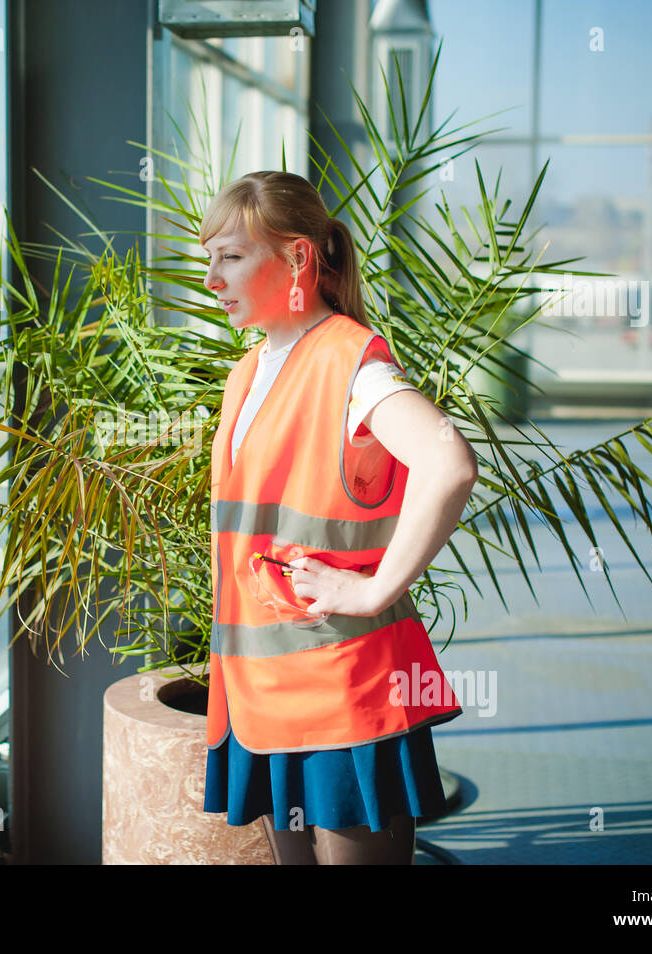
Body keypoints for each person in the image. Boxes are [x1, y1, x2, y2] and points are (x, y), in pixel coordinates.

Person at [199, 171, 479, 865]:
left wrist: (372, 589)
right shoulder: (250, 369)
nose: (211, 278)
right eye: (209, 257)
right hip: (262, 689)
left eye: (230, 256)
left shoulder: (349, 362)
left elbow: (451, 462)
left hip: (343, 689)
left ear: (297, 258)